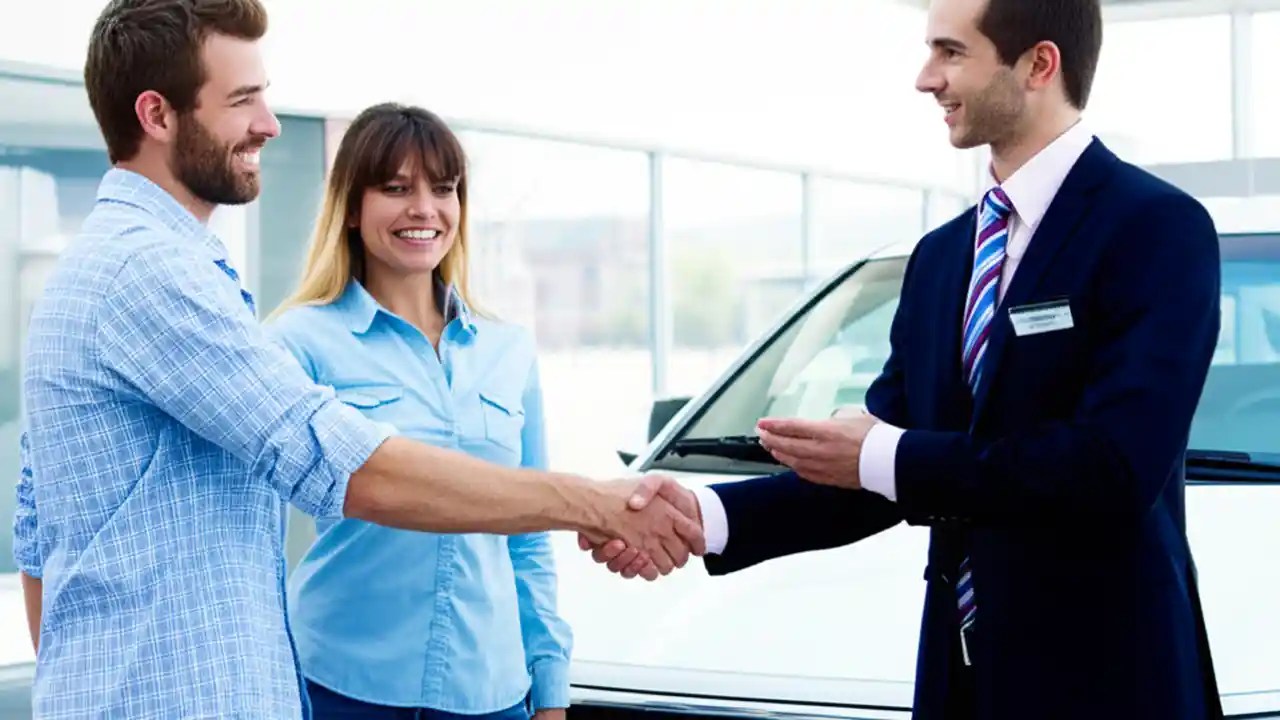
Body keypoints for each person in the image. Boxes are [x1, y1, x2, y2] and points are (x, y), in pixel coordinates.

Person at [12, 2, 700, 718]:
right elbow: (345, 463)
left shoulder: (138, 266)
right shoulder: (151, 276)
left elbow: (38, 531)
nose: (270, 124)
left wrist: (90, 672)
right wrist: (594, 503)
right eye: (243, 100)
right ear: (157, 115)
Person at [581, 0, 1224, 718]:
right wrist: (705, 513)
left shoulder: (1155, 228)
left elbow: (1113, 468)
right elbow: (874, 468)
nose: (926, 79)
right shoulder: (943, 257)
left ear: (1039, 64)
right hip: (960, 682)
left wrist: (887, 456)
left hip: (1109, 683)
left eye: (951, 52)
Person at [264, 103, 570, 720]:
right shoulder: (296, 343)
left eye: (444, 188)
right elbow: (254, 536)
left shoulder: (509, 350)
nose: (424, 209)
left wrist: (551, 688)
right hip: (341, 687)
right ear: (351, 207)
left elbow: (529, 537)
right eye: (396, 188)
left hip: (494, 693)